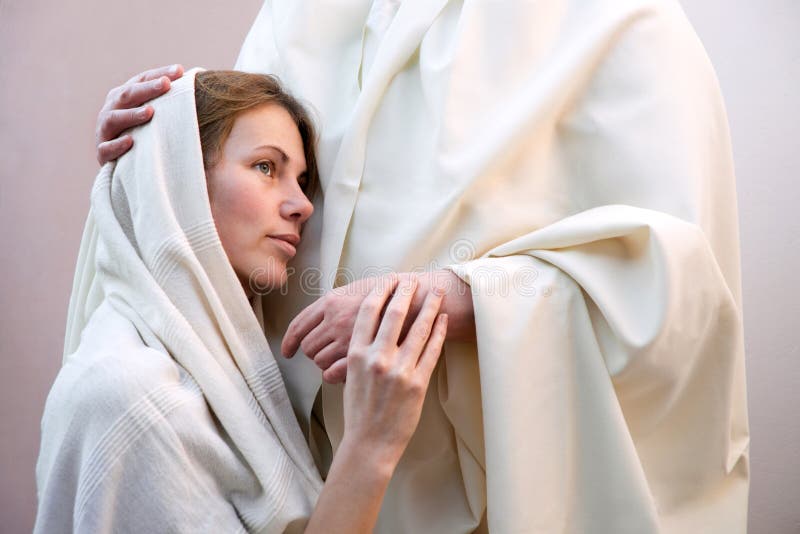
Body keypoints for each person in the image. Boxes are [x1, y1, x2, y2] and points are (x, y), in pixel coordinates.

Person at [95, 0, 751, 531]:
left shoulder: (621, 18)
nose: (298, 203)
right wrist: (154, 141)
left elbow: (678, 287)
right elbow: (209, 197)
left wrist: (448, 300)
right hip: (283, 474)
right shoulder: (292, 14)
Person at [35, 68, 450, 533]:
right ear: (175, 177)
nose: (303, 205)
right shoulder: (130, 398)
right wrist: (371, 445)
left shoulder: (226, 382)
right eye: (266, 167)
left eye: (302, 180)